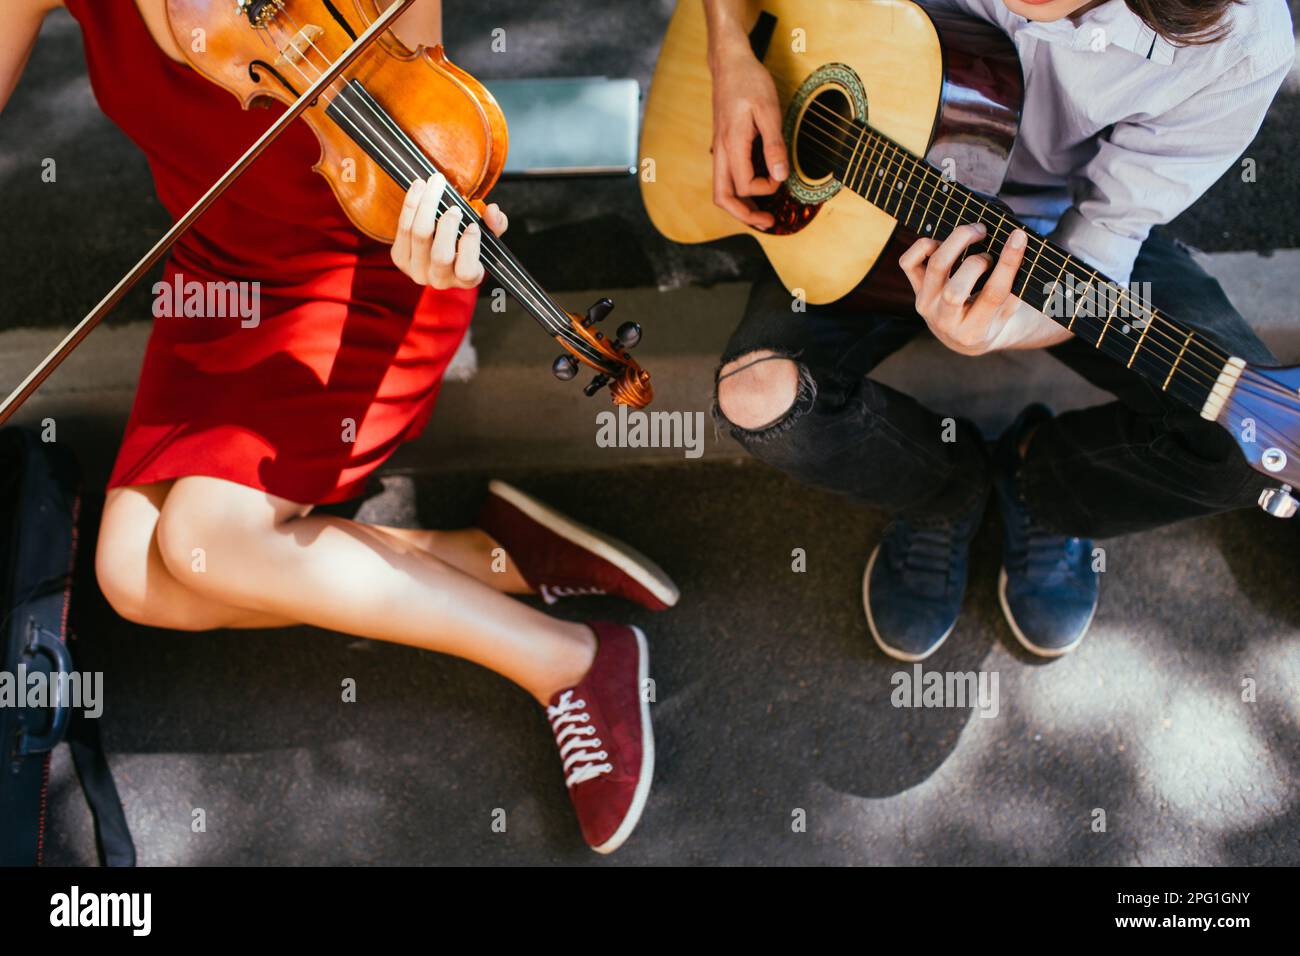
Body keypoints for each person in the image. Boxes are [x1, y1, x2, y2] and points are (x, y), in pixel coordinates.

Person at [1, 0, 678, 854]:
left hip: (363, 278)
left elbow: (420, 142)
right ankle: (496, 557)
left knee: (207, 537)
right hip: (218, 272)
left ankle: (572, 659)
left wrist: (429, 231)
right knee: (134, 578)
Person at [704, 0, 1293, 660]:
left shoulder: (1239, 44)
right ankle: (943, 496)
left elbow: (1101, 247)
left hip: (1062, 240)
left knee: (1237, 454)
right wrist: (730, 52)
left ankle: (1039, 486)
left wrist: (1008, 327)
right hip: (848, 216)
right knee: (756, 396)